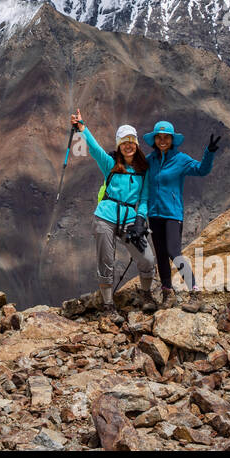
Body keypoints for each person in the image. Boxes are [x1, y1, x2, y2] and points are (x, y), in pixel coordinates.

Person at [70, 109, 156, 311]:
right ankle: (108, 304)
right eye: (124, 142)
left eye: (131, 141)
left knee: (147, 258)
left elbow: (143, 199)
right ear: (119, 145)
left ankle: (146, 294)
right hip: (105, 218)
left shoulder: (143, 171)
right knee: (106, 261)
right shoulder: (109, 164)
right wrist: (82, 128)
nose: (128, 145)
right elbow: (95, 149)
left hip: (130, 220)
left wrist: (140, 221)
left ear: (136, 144)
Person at [133, 120, 221, 307]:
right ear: (154, 139)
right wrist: (115, 158)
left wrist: (209, 152)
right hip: (154, 214)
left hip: (173, 215)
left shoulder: (180, 159)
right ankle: (167, 293)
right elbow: (134, 168)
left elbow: (201, 170)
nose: (162, 140)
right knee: (161, 255)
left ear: (172, 140)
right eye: (159, 137)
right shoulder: (150, 161)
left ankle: (195, 292)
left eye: (166, 137)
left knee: (174, 252)